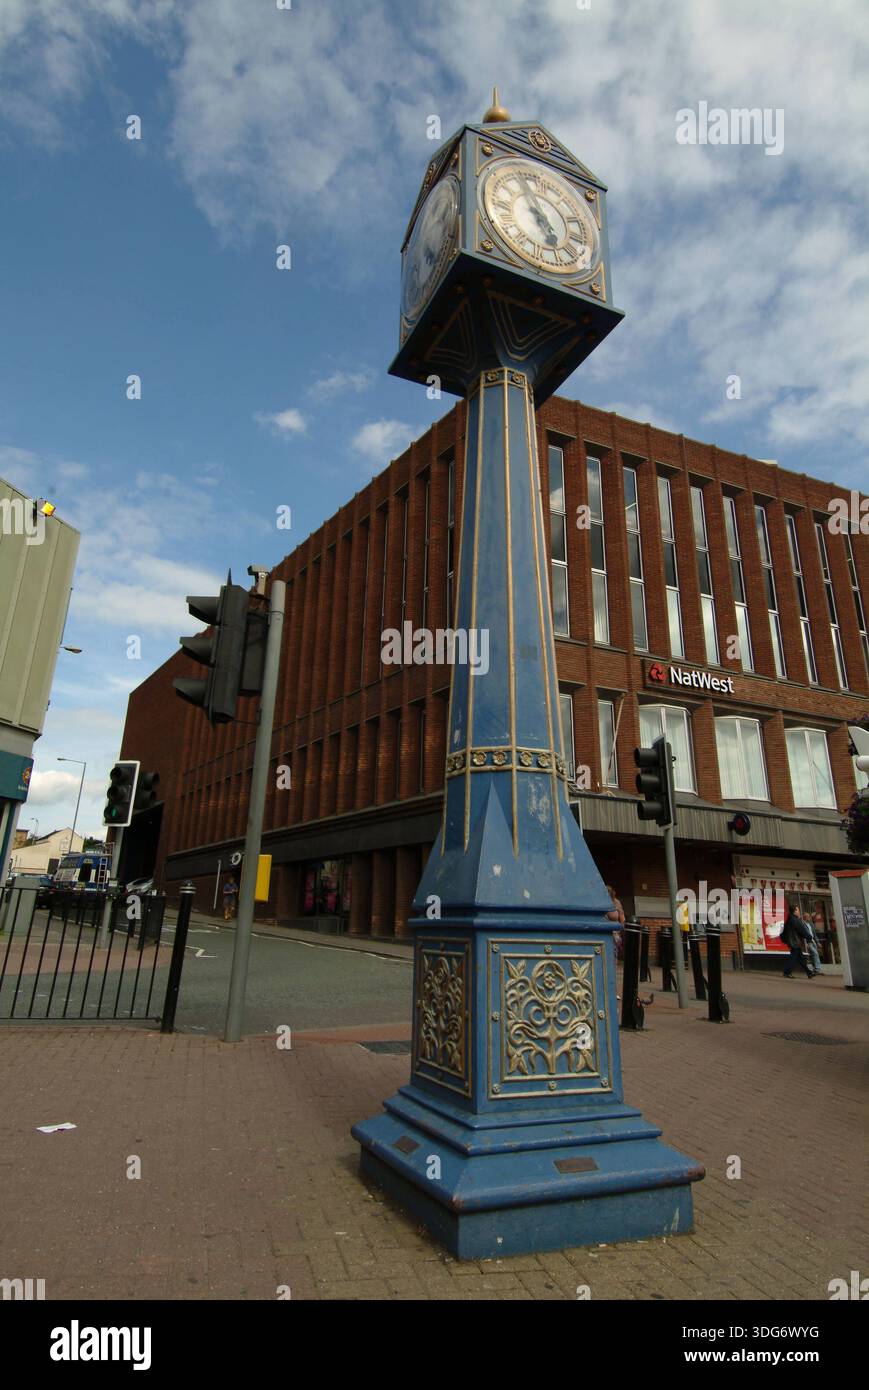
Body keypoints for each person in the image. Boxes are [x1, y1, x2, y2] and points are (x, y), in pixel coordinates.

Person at [780, 900, 815, 979]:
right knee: (794, 957)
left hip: (792, 942)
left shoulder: (789, 920)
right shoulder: (795, 920)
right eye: (798, 910)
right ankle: (787, 972)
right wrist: (809, 937)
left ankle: (809, 972)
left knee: (800, 958)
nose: (799, 912)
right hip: (795, 942)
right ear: (794, 911)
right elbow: (802, 930)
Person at [606, 885, 625, 961]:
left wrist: (622, 929)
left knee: (613, 955)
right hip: (603, 932)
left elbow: (622, 917)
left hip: (614, 934)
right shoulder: (599, 902)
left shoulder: (616, 902)